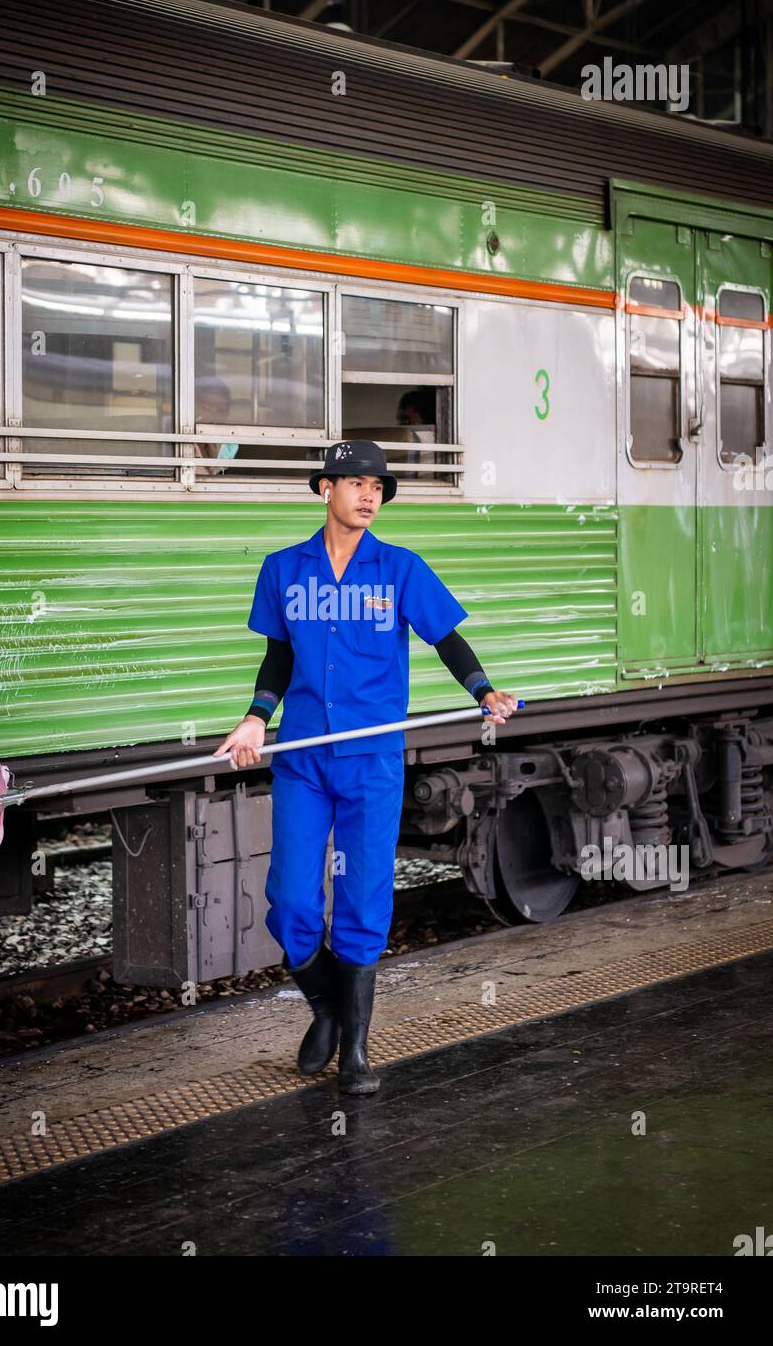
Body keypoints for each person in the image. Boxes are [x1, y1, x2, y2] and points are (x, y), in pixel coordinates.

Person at [213, 440, 519, 1096]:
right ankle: (326, 1004)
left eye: (378, 485)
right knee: (291, 900)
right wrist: (254, 718)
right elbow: (277, 657)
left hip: (371, 763)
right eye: (356, 482)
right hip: (302, 758)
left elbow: (447, 639)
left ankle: (355, 1049)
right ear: (325, 489)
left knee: (363, 899)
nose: (370, 494)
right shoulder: (284, 569)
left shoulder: (400, 568)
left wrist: (484, 691)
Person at [191, 376, 238, 477]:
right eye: (206, 408)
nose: (213, 414)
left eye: (221, 409)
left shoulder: (229, 444)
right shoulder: (184, 441)